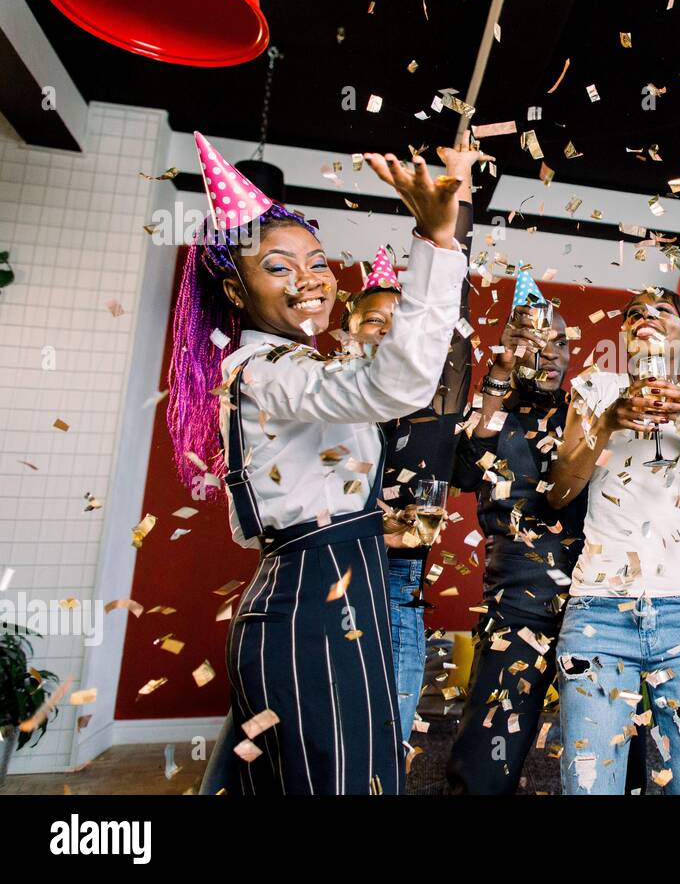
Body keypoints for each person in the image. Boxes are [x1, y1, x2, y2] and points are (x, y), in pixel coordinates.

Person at [170, 131, 474, 794]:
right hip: (311, 613)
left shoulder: (297, 368)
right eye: (277, 266)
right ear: (234, 286)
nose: (308, 278)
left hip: (338, 595)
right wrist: (437, 242)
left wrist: (372, 519)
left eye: (314, 260)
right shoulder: (261, 369)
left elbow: (275, 509)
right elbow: (395, 386)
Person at [546, 288, 680, 795]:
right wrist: (607, 421)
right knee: (591, 784)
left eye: (661, 313)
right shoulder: (594, 386)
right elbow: (561, 491)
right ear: (625, 334)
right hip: (598, 615)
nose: (644, 320)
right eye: (633, 315)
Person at [441, 275, 587, 793]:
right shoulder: (491, 410)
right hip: (518, 604)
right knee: (487, 762)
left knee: (611, 757)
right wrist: (497, 379)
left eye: (561, 344)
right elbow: (459, 472)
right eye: (535, 343)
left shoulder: (589, 413)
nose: (550, 356)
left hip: (598, 606)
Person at [345, 186, 477, 748]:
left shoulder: (432, 403)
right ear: (347, 329)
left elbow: (453, 320)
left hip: (398, 587)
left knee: (386, 742)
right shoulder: (320, 394)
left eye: (399, 322)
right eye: (374, 320)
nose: (387, 330)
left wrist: (454, 205)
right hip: (324, 579)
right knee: (316, 742)